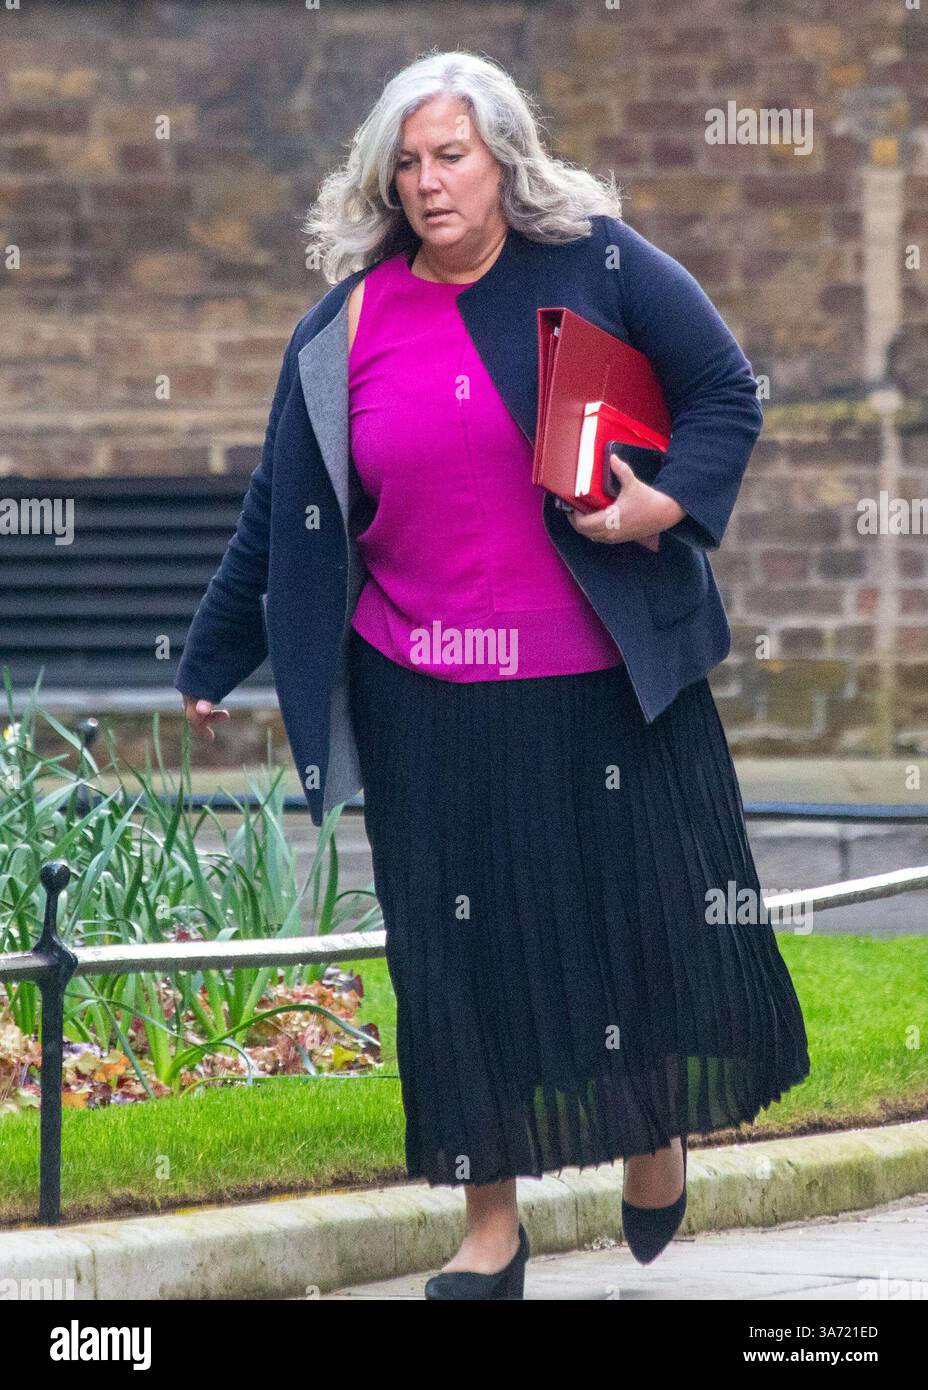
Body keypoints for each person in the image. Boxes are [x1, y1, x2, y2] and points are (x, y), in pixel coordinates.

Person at [177, 49, 811, 1301]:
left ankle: (652, 1135)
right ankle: (489, 1232)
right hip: (423, 690)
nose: (426, 183)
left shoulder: (602, 263)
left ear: (503, 159)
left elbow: (722, 394)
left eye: (449, 156)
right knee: (456, 964)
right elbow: (282, 509)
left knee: (634, 924)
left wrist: (659, 508)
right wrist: (210, 652)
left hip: (602, 684)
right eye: (405, 164)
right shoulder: (345, 323)